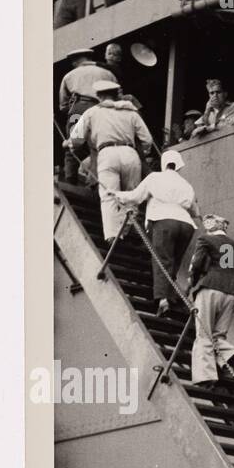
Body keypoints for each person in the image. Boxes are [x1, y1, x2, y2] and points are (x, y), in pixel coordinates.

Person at [66, 78, 155, 242]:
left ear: (99, 96)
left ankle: (112, 235)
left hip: (106, 153)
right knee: (131, 195)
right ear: (116, 96)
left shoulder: (92, 112)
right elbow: (147, 139)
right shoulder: (131, 112)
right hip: (130, 153)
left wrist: (69, 144)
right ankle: (129, 230)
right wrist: (144, 151)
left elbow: (77, 138)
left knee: (108, 195)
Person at [114, 149, 200, 315]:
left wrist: (117, 195)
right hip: (186, 225)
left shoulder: (155, 177)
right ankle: (172, 297)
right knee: (173, 262)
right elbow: (195, 211)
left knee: (162, 260)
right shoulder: (187, 185)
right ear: (178, 166)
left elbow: (136, 197)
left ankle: (162, 299)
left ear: (164, 163)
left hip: (163, 220)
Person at [187, 213, 234, 387]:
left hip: (210, 288)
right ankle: (231, 355)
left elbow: (197, 263)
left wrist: (192, 281)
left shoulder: (205, 240)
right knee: (218, 335)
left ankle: (206, 376)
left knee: (203, 333)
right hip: (232, 293)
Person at [58, 47, 118, 180]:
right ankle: (96, 182)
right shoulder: (108, 74)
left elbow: (63, 105)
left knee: (73, 145)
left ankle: (70, 180)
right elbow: (118, 97)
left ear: (75, 61)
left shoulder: (69, 76)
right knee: (99, 146)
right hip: (101, 111)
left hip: (78, 110)